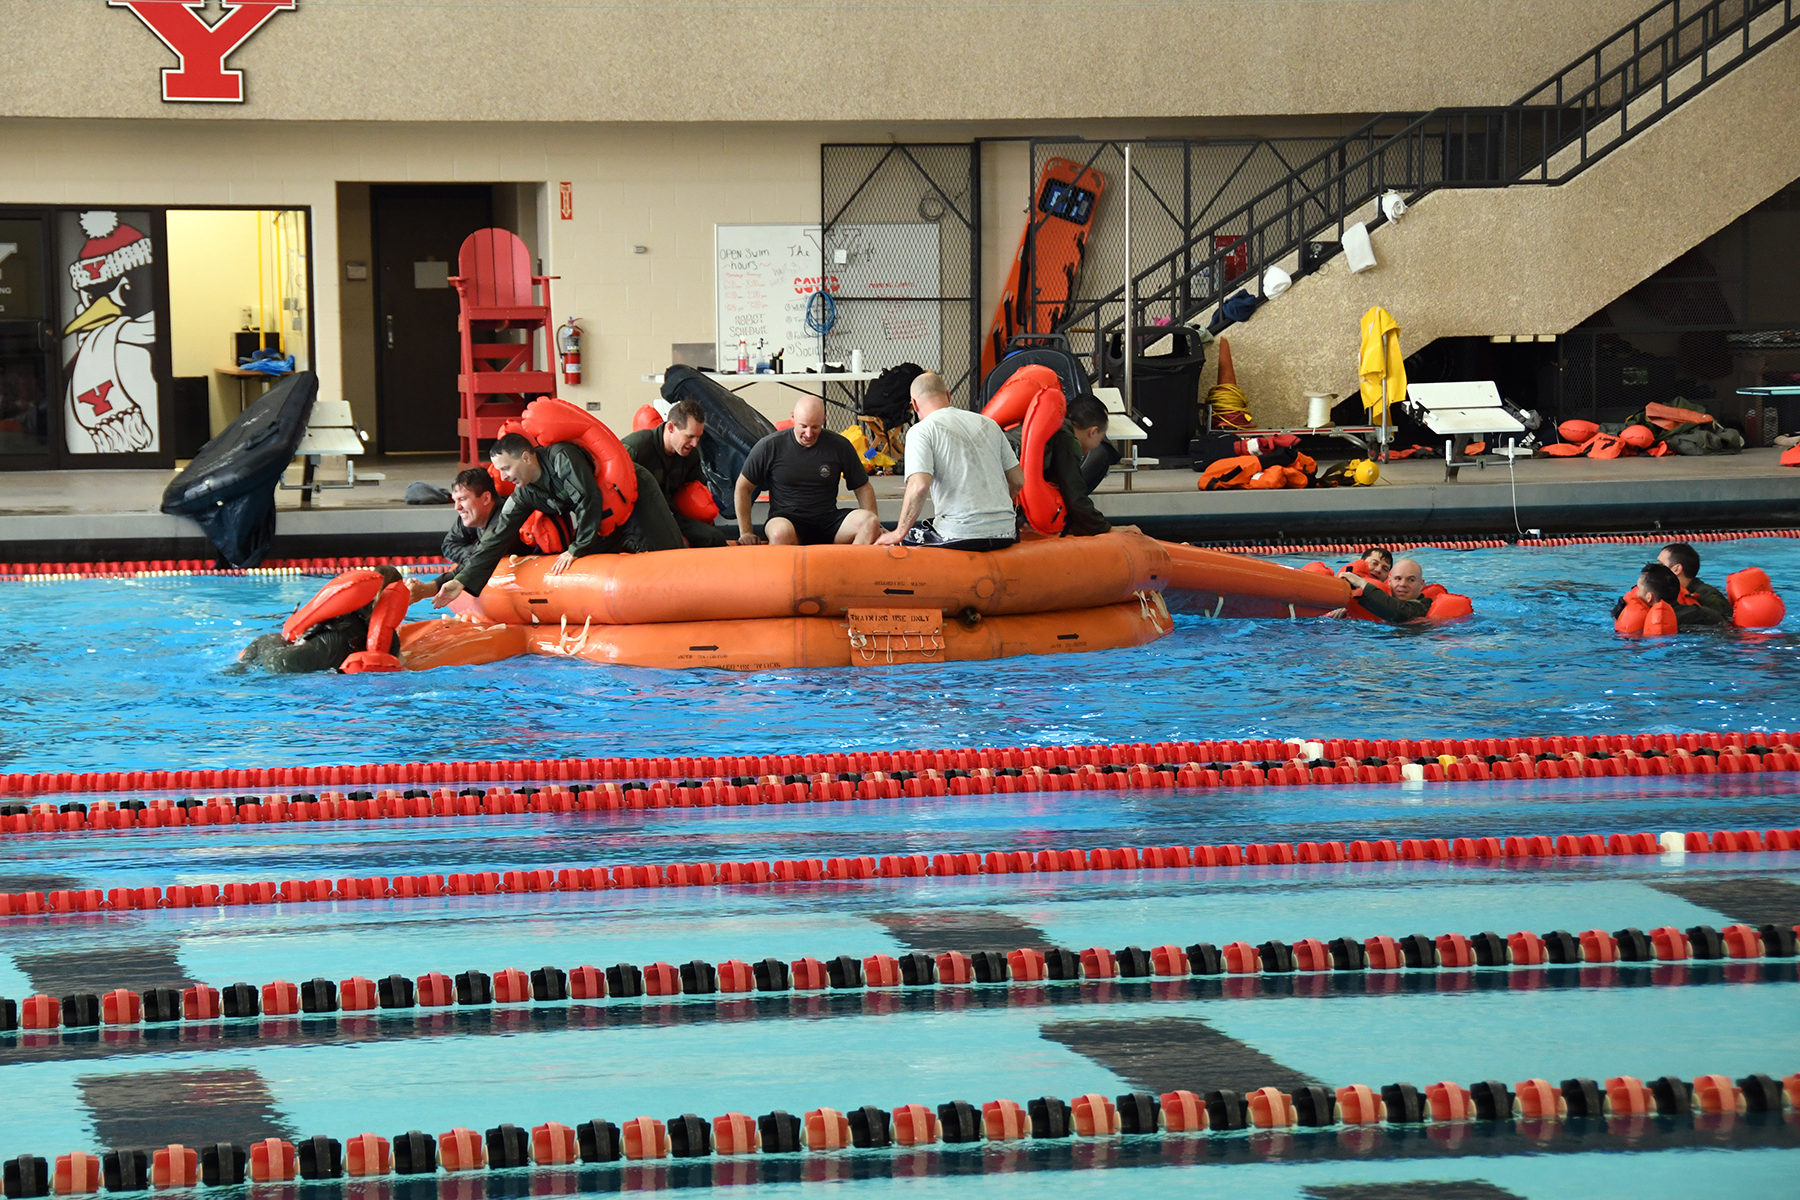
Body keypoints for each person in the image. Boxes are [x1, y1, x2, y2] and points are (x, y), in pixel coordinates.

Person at [430, 432, 684, 607]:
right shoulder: (525, 492)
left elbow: (588, 498)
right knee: (594, 563)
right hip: (603, 518)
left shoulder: (562, 458)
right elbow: (496, 537)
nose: (504, 477)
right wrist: (461, 581)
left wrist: (576, 548)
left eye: (507, 468)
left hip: (634, 494)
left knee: (669, 556)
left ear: (527, 457)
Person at [877, 371, 1022, 550]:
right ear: (948, 395)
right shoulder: (989, 424)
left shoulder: (922, 430)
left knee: (908, 535)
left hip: (960, 534)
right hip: (1006, 533)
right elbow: (1018, 480)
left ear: (914, 404)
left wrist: (898, 532)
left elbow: (919, 486)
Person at [734, 396, 881, 546]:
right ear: (793, 418)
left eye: (815, 427)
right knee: (779, 533)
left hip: (828, 521)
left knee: (870, 522)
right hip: (787, 521)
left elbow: (863, 487)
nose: (809, 434)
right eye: (803, 426)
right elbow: (743, 487)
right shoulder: (770, 446)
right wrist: (746, 532)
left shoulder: (840, 446)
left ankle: (848, 568)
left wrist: (877, 529)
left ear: (824, 420)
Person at [234, 566, 404, 674]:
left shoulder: (344, 614)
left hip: (291, 661)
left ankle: (238, 667)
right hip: (329, 662)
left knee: (264, 640)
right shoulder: (389, 640)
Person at [623, 399, 729, 548]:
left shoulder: (690, 455)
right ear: (671, 427)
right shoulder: (637, 447)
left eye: (698, 437)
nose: (695, 443)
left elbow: (700, 494)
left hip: (668, 517)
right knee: (674, 545)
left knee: (714, 537)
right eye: (690, 436)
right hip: (635, 519)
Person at [1007, 390, 1111, 537]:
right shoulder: (1068, 441)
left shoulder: (1048, 428)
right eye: (1099, 440)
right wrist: (1105, 528)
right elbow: (1075, 496)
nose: (1095, 447)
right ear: (1092, 431)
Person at [440, 467, 522, 566]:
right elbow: (448, 545)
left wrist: (436, 582)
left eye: (462, 499)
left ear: (486, 498)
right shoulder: (473, 514)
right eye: (455, 500)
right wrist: (473, 552)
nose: (457, 507)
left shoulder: (505, 520)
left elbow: (482, 560)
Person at [1612, 561, 1726, 630]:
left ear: (1649, 597)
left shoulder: (1663, 624)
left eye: (1638, 588)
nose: (1635, 593)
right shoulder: (1708, 612)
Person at [1339, 556, 1429, 623]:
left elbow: (1400, 613)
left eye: (1411, 580)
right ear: (1389, 582)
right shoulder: (1385, 602)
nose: (1402, 584)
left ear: (1421, 584)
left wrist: (1362, 583)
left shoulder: (1423, 606)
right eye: (1398, 578)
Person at [1658, 541, 1732, 620]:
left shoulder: (1709, 597)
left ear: (1676, 569)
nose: (1654, 569)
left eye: (1660, 564)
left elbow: (1729, 626)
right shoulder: (1672, 593)